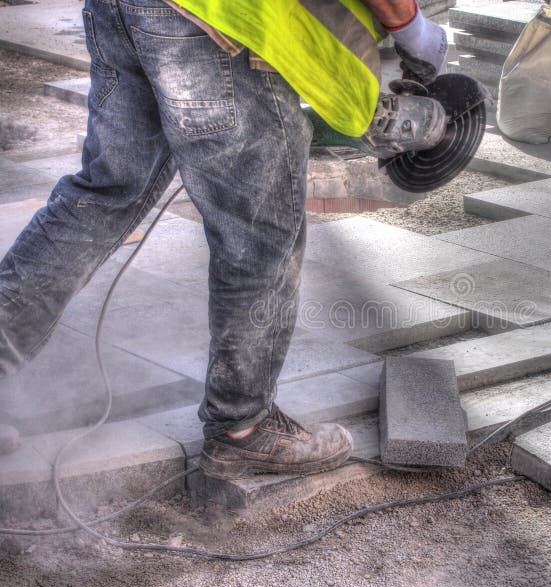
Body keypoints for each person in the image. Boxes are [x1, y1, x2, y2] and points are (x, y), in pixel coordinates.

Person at [0, 0, 447, 481]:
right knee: (256, 229)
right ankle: (243, 427)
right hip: (217, 22)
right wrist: (413, 29)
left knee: (103, 196)